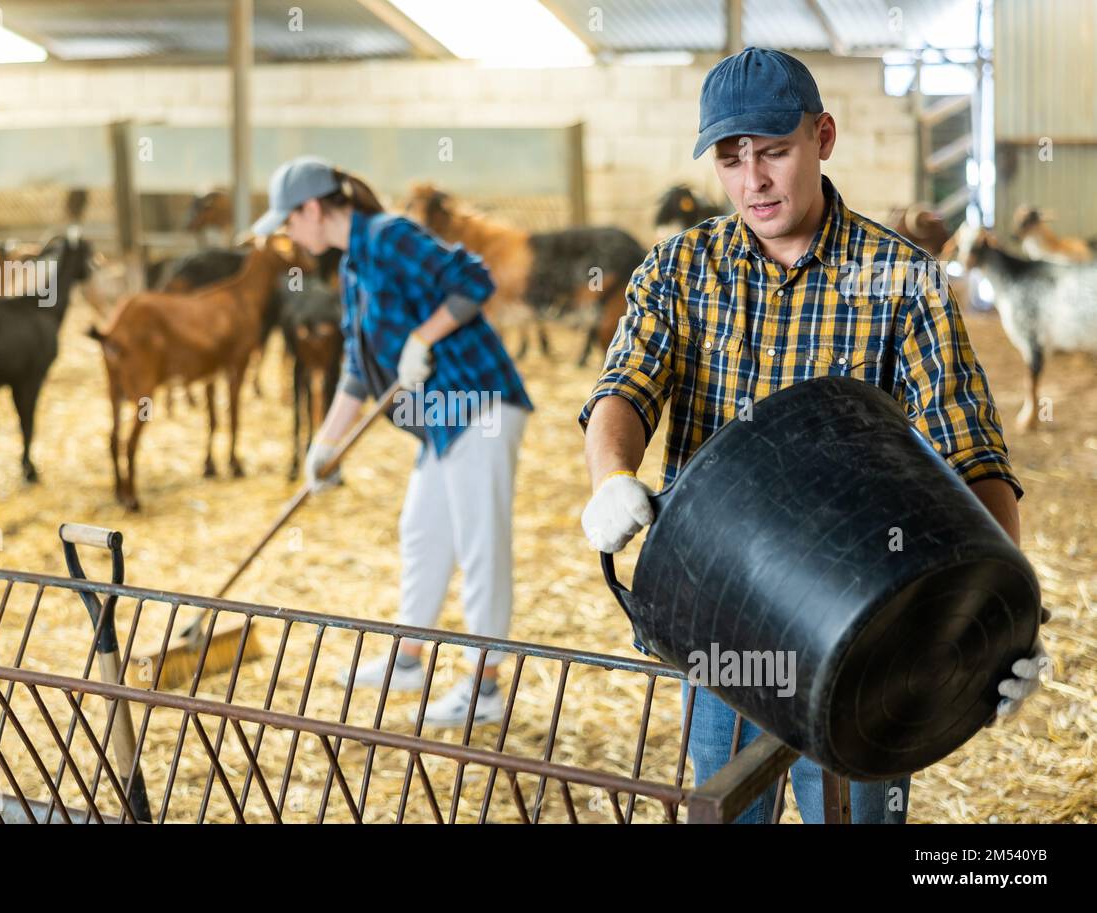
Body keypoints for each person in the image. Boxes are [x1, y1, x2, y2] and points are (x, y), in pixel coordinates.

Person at [578, 47, 1050, 823]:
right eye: (732, 159)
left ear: (822, 137)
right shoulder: (681, 268)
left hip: (871, 617)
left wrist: (999, 609)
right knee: (728, 806)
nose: (754, 180)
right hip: (724, 613)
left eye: (774, 151)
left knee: (860, 814)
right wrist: (610, 477)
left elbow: (971, 451)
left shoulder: (901, 279)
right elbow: (622, 387)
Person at [252, 156, 534, 727]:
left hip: (478, 401)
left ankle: (484, 686)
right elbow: (358, 365)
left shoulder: (389, 236)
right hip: (439, 415)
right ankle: (407, 657)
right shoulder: (353, 265)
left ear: (312, 209)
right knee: (423, 529)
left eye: (287, 221)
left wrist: (421, 339)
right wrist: (325, 445)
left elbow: (474, 279)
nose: (286, 233)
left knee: (479, 543)